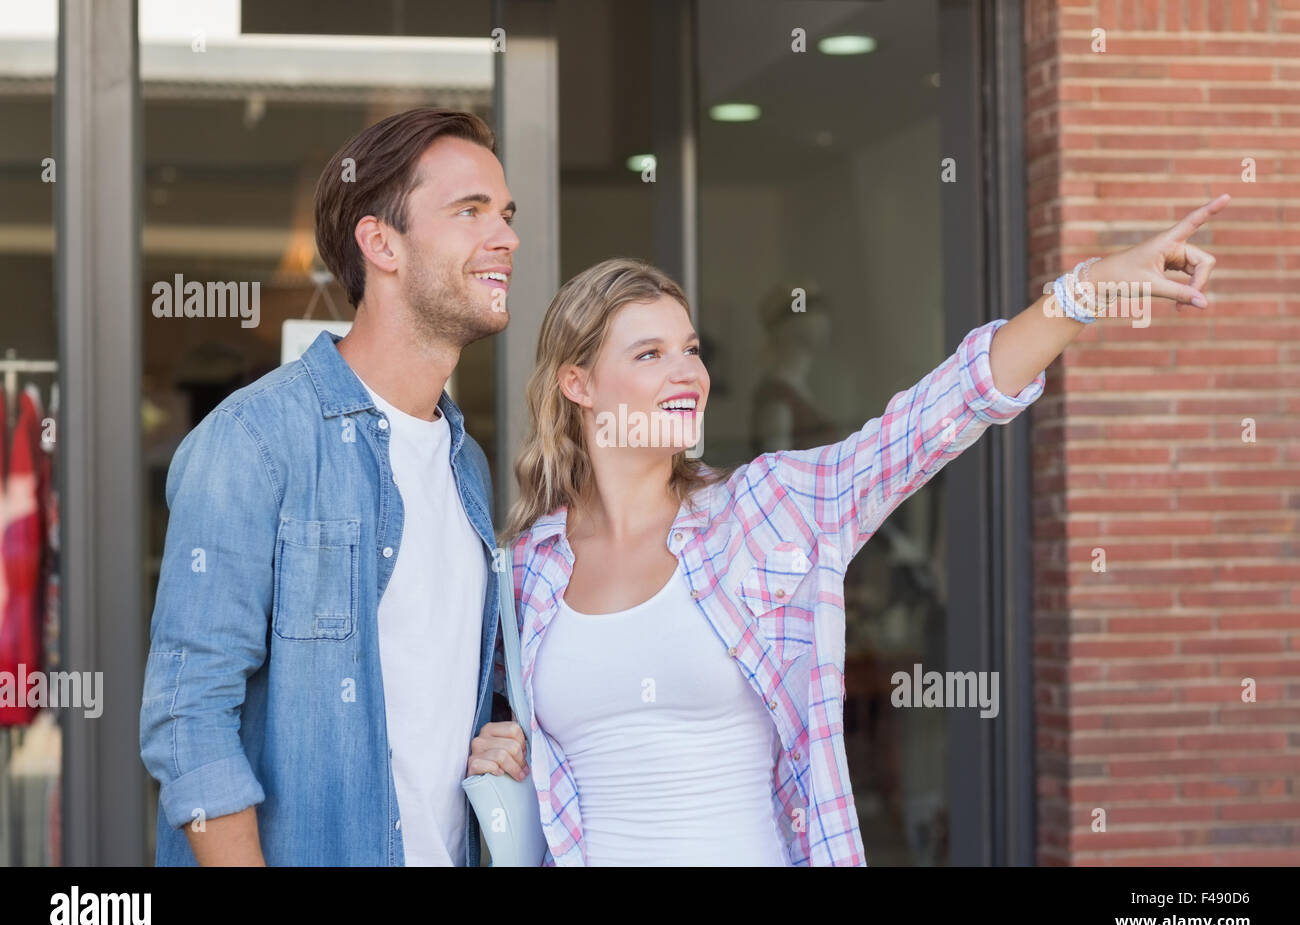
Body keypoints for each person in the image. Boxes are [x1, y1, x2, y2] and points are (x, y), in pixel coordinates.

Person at [468, 195, 1230, 865]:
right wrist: (509, 754)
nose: (688, 373)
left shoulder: (767, 508)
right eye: (650, 353)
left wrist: (1087, 291)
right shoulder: (526, 565)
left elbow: (936, 416)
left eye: (692, 350)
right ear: (578, 385)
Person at [140, 107, 519, 866]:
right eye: (470, 211)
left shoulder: (466, 465)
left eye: (506, 214)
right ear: (381, 243)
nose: (505, 237)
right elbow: (189, 719)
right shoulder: (254, 441)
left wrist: (498, 733)